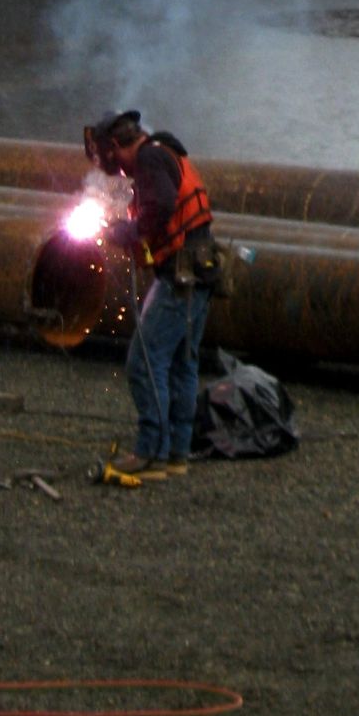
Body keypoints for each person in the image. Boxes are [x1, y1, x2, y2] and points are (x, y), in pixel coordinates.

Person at [83, 110, 222, 480]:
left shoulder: (149, 158)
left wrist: (129, 232)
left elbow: (159, 207)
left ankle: (150, 454)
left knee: (145, 361)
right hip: (200, 271)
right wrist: (131, 233)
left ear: (115, 147)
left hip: (182, 277)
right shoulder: (163, 152)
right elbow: (164, 214)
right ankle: (176, 453)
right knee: (181, 364)